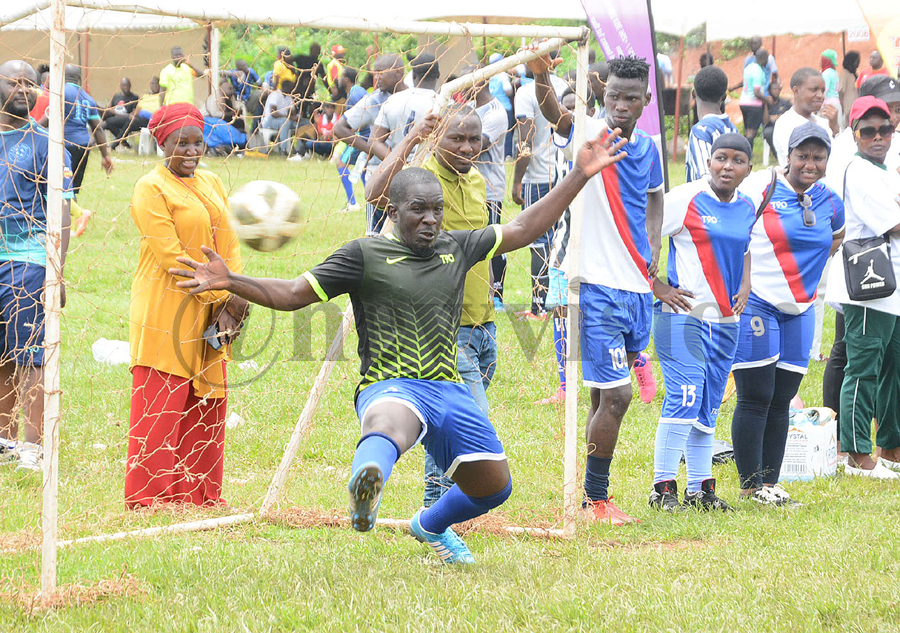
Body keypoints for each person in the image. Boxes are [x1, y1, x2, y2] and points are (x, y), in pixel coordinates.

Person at [170, 127, 628, 564]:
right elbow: (292, 294)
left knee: (494, 487)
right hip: (389, 384)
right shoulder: (362, 255)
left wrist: (580, 174)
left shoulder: (458, 247)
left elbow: (525, 228)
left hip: (449, 389)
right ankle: (366, 485)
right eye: (418, 211)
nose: (430, 220)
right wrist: (232, 280)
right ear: (393, 210)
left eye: (436, 210)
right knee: (392, 425)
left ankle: (429, 526)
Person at [532, 53, 664, 524]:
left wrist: (650, 252)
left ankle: (587, 493)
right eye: (613, 96)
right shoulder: (589, 133)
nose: (621, 106)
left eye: (631, 98)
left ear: (645, 100)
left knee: (600, 394)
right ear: (603, 93)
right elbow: (553, 112)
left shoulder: (649, 149)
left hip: (635, 287)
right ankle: (595, 498)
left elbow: (654, 199)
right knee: (618, 397)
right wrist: (541, 76)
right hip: (597, 287)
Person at [367, 103, 501, 507]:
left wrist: (492, 284)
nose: (465, 146)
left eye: (473, 139)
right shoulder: (425, 181)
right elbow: (375, 193)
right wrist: (412, 138)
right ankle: (435, 513)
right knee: (471, 426)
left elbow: (487, 242)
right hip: (445, 330)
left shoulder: (478, 180)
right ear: (437, 139)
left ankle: (434, 505)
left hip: (484, 322)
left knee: (445, 425)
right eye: (455, 138)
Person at [125, 102, 248, 508]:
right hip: (167, 306)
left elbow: (229, 244)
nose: (192, 151)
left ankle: (199, 494)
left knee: (207, 401)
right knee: (162, 400)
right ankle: (151, 497)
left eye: (198, 142)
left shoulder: (212, 181)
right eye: (182, 143)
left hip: (215, 308)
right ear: (163, 144)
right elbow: (172, 259)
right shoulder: (151, 187)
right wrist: (225, 294)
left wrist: (235, 298)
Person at [730, 122, 844, 505]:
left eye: (818, 157)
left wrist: (808, 274)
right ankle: (750, 487)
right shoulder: (761, 186)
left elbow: (837, 236)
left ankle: (769, 483)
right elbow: (735, 232)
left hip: (801, 309)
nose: (809, 164)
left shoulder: (830, 200)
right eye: (802, 156)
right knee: (756, 393)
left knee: (783, 397)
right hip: (758, 303)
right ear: (788, 156)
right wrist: (743, 282)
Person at [650, 133, 756, 512]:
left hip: (726, 321)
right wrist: (657, 285)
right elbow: (641, 234)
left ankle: (700, 490)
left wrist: (745, 282)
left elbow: (744, 247)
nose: (727, 166)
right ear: (709, 161)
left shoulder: (747, 205)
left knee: (709, 403)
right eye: (720, 158)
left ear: (748, 168)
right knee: (686, 394)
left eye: (737, 161)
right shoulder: (685, 198)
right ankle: (662, 488)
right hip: (683, 315)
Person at [0, 60, 74, 472]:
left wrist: (55, 269)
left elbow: (61, 210)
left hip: (27, 261)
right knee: (3, 357)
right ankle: (4, 441)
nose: (26, 89)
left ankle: (34, 447)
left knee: (31, 358)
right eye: (17, 81)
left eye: (33, 83)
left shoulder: (47, 141)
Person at [824, 97, 900, 479]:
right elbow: (894, 223)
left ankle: (891, 446)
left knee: (894, 369)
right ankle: (855, 453)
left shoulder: (885, 169)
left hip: (892, 285)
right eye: (867, 131)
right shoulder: (860, 169)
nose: (877, 137)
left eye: (884, 129)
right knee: (864, 367)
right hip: (868, 283)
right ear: (854, 134)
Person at [513, 49, 569, 319]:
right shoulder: (567, 86)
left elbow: (525, 140)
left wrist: (516, 181)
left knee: (539, 242)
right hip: (566, 174)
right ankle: (562, 301)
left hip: (539, 176)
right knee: (562, 238)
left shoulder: (526, 93)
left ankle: (538, 308)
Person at [333, 54, 406, 235]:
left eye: (381, 72)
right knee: (376, 235)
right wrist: (371, 149)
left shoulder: (414, 97)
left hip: (412, 174)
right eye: (375, 73)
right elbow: (340, 129)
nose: (376, 77)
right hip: (380, 175)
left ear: (398, 72)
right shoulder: (373, 100)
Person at [473, 69, 509, 312]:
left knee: (492, 241)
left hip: (489, 188)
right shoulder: (468, 108)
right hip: (467, 186)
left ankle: (497, 294)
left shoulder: (496, 113)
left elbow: (478, 145)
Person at [369, 53, 440, 161]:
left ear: (414, 75)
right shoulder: (446, 105)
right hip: (430, 169)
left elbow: (374, 141)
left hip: (398, 171)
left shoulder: (393, 100)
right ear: (438, 75)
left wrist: (397, 163)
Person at [772, 67, 837, 168]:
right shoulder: (786, 123)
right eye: (813, 90)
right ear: (796, 91)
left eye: (822, 90)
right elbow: (797, 165)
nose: (820, 95)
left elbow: (840, 158)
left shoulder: (823, 123)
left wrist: (835, 128)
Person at [685, 65, 739, 182]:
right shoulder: (734, 130)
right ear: (724, 97)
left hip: (705, 199)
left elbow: (706, 178)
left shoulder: (700, 131)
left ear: (694, 93)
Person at [738, 48, 770, 151]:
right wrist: (767, 100)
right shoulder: (759, 71)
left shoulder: (748, 68)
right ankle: (747, 154)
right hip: (754, 105)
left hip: (743, 102)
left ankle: (743, 152)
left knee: (747, 131)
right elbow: (757, 93)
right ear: (764, 58)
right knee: (751, 132)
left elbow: (744, 82)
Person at [487, 52, 515, 158]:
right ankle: (507, 154)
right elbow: (508, 90)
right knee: (507, 132)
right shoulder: (502, 75)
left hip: (492, 107)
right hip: (505, 107)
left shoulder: (488, 75)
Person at [102, 77, 143, 149]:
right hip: (115, 119)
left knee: (108, 122)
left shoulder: (134, 97)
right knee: (108, 122)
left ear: (130, 86)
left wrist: (116, 113)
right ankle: (123, 142)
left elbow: (133, 114)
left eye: (127, 85)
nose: (126, 87)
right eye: (123, 85)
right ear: (120, 86)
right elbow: (109, 107)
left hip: (126, 120)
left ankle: (115, 144)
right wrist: (109, 110)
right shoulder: (116, 96)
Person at [762, 79, 792, 161]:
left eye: (778, 89)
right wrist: (765, 105)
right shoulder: (766, 104)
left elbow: (791, 117)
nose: (776, 91)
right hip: (771, 127)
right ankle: (777, 155)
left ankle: (789, 155)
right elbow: (765, 121)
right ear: (769, 91)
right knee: (768, 132)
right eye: (774, 89)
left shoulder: (785, 103)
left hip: (784, 127)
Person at [261, 86, 296, 155]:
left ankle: (298, 149)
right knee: (285, 122)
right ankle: (283, 148)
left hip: (282, 121)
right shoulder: (275, 95)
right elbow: (273, 113)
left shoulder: (289, 97)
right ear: (283, 88)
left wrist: (295, 117)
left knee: (298, 123)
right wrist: (287, 117)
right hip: (269, 121)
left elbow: (292, 112)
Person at [839, 51, 861, 129]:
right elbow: (841, 91)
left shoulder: (854, 74)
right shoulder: (845, 74)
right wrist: (843, 108)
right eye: (857, 60)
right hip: (848, 108)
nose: (859, 62)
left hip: (856, 106)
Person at [821, 49, 841, 118]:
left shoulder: (826, 73)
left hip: (828, 105)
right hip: (836, 103)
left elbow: (824, 90)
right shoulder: (835, 72)